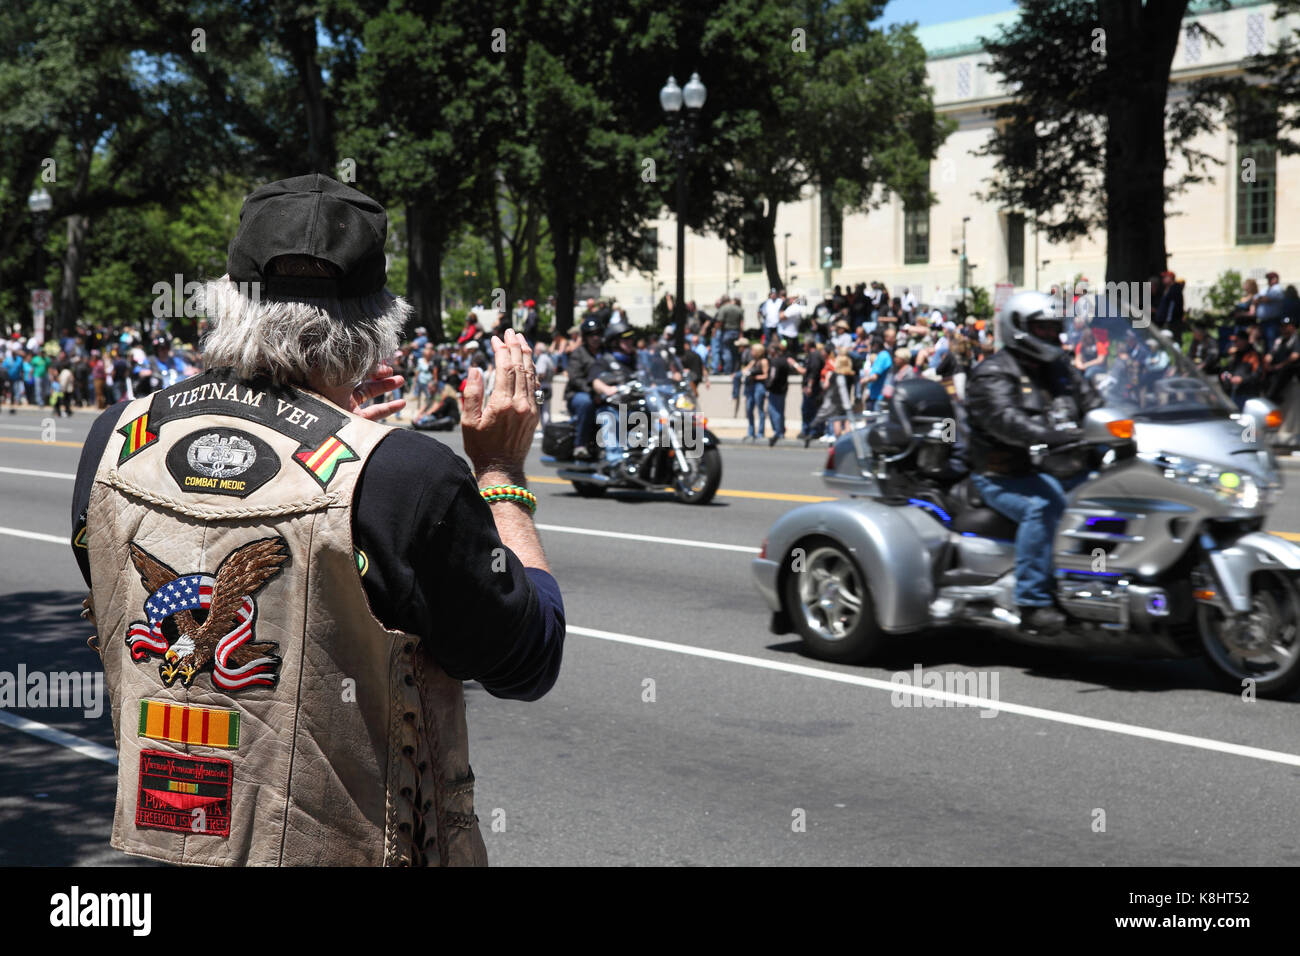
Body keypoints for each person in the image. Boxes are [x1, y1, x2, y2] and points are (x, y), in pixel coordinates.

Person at [70, 173, 564, 867]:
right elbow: (529, 656)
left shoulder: (111, 440)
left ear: (226, 302)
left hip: (174, 841)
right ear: (376, 321)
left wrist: (337, 445)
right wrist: (502, 477)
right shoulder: (405, 476)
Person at [965, 291, 1103, 635]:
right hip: (1004, 475)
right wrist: (1051, 435)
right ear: (1018, 328)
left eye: (1054, 328)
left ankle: (1096, 584)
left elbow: (1094, 402)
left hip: (1059, 467)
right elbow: (1005, 420)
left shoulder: (1060, 370)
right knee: (1042, 505)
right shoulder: (992, 373)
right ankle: (1033, 601)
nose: (1052, 336)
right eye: (1042, 329)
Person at [589, 318, 642, 475]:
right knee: (610, 419)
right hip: (612, 407)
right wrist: (607, 389)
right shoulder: (605, 361)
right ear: (614, 342)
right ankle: (615, 461)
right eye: (626, 339)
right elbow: (595, 381)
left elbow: (651, 376)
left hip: (634, 407)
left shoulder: (636, 361)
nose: (630, 342)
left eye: (631, 338)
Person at [564, 316, 603, 459]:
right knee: (586, 402)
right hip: (578, 394)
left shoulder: (605, 353)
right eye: (592, 335)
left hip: (603, 393)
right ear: (585, 337)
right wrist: (593, 392)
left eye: (598, 334)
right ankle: (580, 445)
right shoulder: (578, 353)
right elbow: (575, 378)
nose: (595, 338)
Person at [765, 339, 804, 446]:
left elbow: (773, 376)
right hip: (782, 389)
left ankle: (778, 432)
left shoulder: (775, 362)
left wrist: (767, 386)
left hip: (775, 390)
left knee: (774, 411)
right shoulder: (785, 360)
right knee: (780, 411)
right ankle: (780, 430)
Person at [742, 341, 769, 442]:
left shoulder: (763, 361)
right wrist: (747, 372)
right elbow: (745, 369)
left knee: (760, 409)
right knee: (749, 408)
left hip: (759, 386)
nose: (751, 352)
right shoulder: (753, 361)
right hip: (751, 386)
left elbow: (766, 375)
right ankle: (751, 431)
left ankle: (760, 432)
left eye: (753, 350)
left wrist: (755, 376)